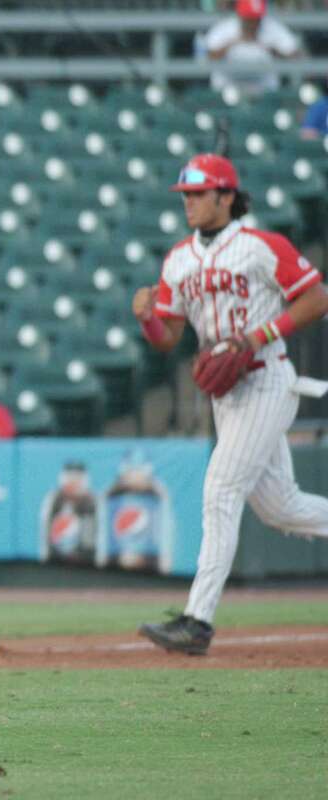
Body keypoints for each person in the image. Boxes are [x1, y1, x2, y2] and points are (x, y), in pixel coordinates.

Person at [132, 152, 328, 656]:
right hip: (228, 393)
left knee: (220, 489)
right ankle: (196, 620)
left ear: (226, 196)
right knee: (282, 508)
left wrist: (258, 334)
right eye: (186, 196)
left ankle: (197, 621)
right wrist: (149, 320)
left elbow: (316, 297)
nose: (189, 204)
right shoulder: (178, 259)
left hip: (266, 378)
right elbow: (169, 336)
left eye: (198, 194)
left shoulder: (262, 246)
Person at [203, 0, 302, 96]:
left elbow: (295, 56)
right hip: (227, 89)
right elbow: (209, 57)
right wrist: (233, 43)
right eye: (249, 18)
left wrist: (273, 51)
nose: (253, 22)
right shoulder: (224, 27)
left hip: (265, 90)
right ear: (240, 15)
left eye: (256, 18)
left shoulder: (272, 27)